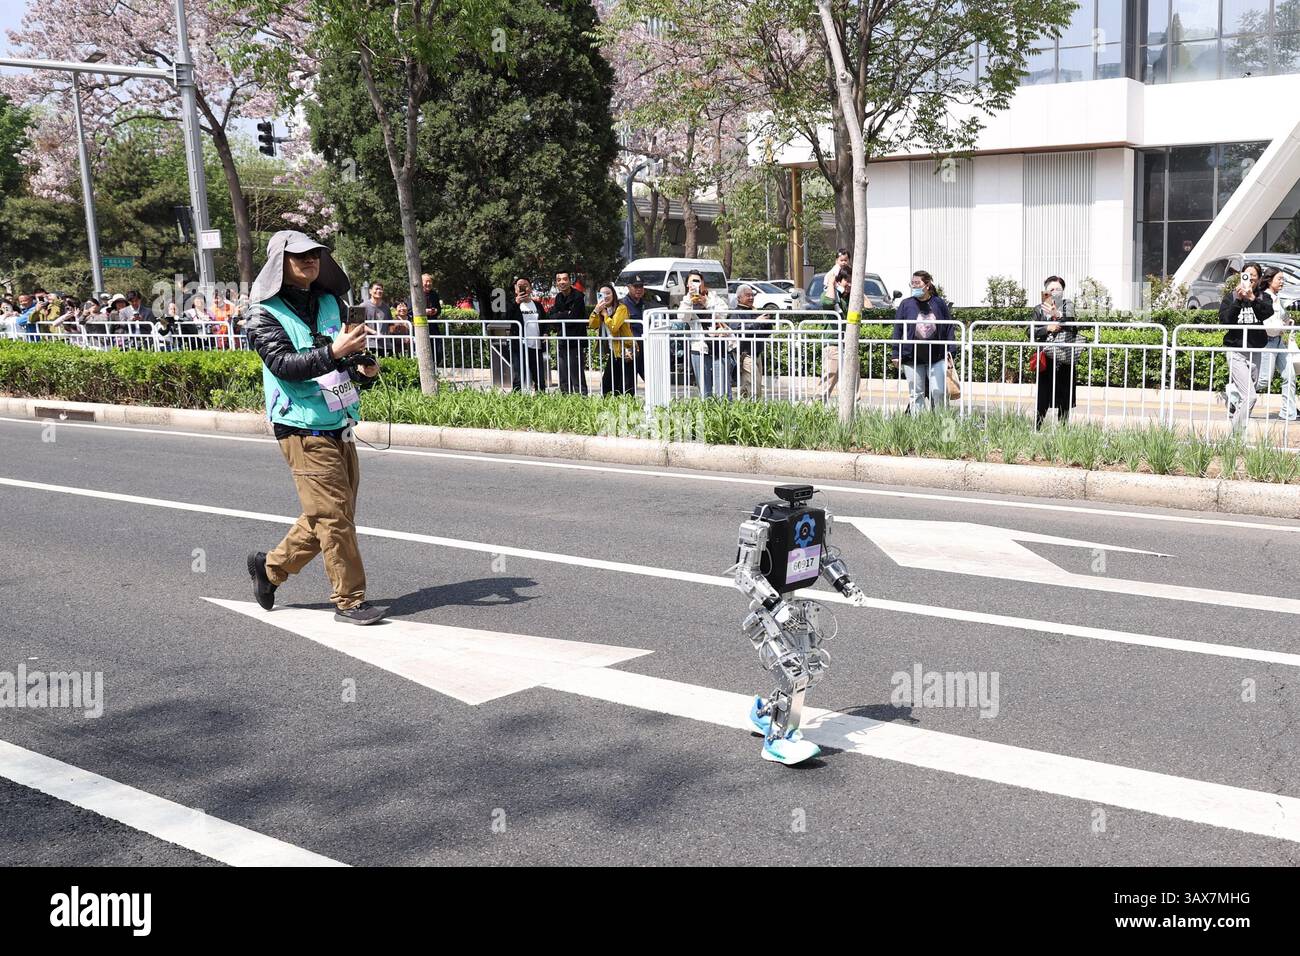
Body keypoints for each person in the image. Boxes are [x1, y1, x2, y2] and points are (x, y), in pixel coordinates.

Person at [243, 229, 385, 626]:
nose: (311, 260)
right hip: (300, 428)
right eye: (300, 255)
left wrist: (364, 366)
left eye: (316, 255)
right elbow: (285, 366)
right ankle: (349, 600)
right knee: (335, 518)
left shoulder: (330, 302)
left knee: (327, 514)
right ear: (278, 265)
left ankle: (270, 570)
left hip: (338, 421)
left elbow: (344, 355)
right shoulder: (262, 314)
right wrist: (335, 352)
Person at [891, 269, 958, 414]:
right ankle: (918, 424)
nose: (914, 286)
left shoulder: (938, 303)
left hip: (937, 356)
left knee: (939, 392)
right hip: (912, 357)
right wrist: (896, 353)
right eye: (912, 283)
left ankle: (940, 422)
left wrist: (950, 352)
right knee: (916, 393)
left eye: (917, 283)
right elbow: (898, 329)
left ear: (927, 285)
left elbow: (949, 327)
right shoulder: (906, 304)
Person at [1220, 262, 1274, 434]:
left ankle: (1239, 430)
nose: (1249, 279)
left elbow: (1267, 313)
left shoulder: (1263, 297)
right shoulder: (1231, 297)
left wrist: (1251, 298)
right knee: (1250, 396)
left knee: (1248, 397)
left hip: (1255, 350)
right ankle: (1234, 436)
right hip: (1236, 351)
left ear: (1259, 280)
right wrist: (1238, 299)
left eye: (1253, 277)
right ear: (1240, 276)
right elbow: (1225, 320)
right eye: (1246, 275)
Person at [1031, 275, 1082, 428]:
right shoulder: (1039, 309)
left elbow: (1071, 320)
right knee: (1043, 395)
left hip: (1065, 357)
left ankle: (1063, 431)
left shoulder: (1068, 304)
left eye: (1058, 289)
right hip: (1046, 358)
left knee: (1065, 396)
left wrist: (1057, 314)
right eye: (1051, 289)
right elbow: (1030, 331)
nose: (1055, 292)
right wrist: (1047, 328)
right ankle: (1037, 428)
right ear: (1045, 290)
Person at [677, 270, 731, 398]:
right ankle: (707, 414)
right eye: (692, 281)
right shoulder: (686, 300)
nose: (696, 284)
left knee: (722, 388)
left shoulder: (712, 296)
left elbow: (723, 314)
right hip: (699, 347)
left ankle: (724, 414)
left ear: (702, 282)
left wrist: (706, 303)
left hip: (719, 346)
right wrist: (690, 300)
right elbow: (683, 317)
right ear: (687, 285)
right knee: (704, 390)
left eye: (698, 281)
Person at [1255, 267, 1296, 422]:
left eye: (1283, 279)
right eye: (1279, 279)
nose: (1282, 282)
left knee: (1290, 375)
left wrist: (1287, 322)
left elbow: (1282, 318)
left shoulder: (1276, 297)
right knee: (1264, 380)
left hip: (1279, 342)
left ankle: (1288, 412)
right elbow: (1269, 326)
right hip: (1268, 342)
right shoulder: (1264, 297)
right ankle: (1234, 392)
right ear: (1269, 280)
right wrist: (1282, 326)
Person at [589, 283, 638, 395]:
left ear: (613, 294)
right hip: (614, 352)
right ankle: (611, 408)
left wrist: (605, 315)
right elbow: (592, 325)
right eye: (602, 294)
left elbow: (614, 327)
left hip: (626, 350)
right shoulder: (601, 310)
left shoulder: (621, 308)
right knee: (607, 385)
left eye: (608, 293)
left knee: (626, 386)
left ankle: (628, 409)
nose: (605, 296)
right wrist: (596, 311)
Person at [730, 284, 775, 400]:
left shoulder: (755, 311)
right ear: (739, 298)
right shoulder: (736, 313)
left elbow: (765, 333)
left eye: (752, 295)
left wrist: (767, 323)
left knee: (756, 385)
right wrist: (756, 322)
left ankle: (751, 409)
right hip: (746, 355)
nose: (751, 298)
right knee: (752, 385)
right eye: (747, 295)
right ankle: (749, 409)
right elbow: (738, 331)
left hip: (757, 354)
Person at [505, 277, 549, 391]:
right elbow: (505, 318)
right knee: (519, 377)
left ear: (530, 288)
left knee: (539, 377)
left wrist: (545, 333)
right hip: (519, 346)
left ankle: (541, 398)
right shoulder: (511, 304)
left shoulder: (537, 305)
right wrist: (516, 303)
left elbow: (544, 321)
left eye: (525, 285)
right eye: (519, 286)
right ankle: (516, 400)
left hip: (536, 345)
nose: (523, 288)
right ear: (515, 289)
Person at [549, 271, 589, 394]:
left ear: (570, 281)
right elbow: (552, 317)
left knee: (576, 373)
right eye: (559, 279)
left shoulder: (578, 296)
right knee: (563, 374)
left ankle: (582, 399)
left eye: (565, 279)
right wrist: (565, 315)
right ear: (556, 282)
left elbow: (573, 319)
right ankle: (565, 399)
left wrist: (560, 316)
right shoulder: (558, 297)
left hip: (575, 341)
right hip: (562, 339)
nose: (562, 282)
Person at [816, 273, 851, 402]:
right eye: (847, 281)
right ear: (838, 282)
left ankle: (855, 407)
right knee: (831, 375)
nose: (849, 284)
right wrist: (831, 284)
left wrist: (859, 291)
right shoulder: (830, 294)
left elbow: (869, 307)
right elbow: (828, 301)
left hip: (848, 343)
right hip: (833, 343)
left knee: (854, 376)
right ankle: (818, 405)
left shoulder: (848, 298)